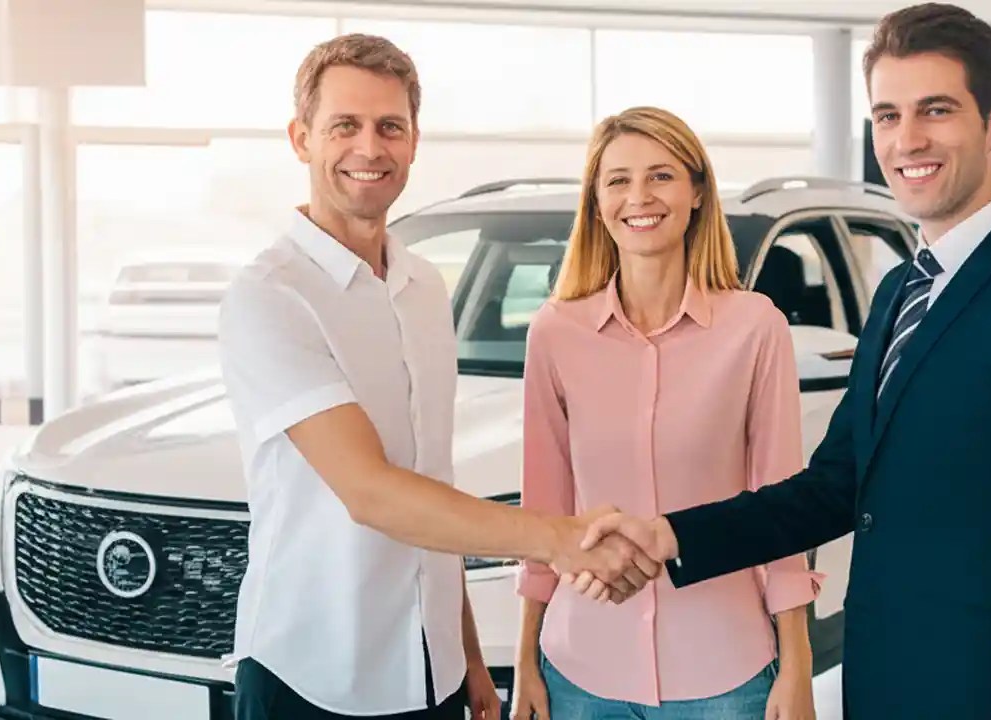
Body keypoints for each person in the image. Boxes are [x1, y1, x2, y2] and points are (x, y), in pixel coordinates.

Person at [573, 5, 991, 719]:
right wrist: (671, 534)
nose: (907, 140)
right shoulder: (901, 292)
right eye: (887, 115)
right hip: (885, 686)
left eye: (935, 110)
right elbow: (836, 485)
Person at [216, 33, 659, 720]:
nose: (371, 148)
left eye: (390, 127)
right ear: (301, 138)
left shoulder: (423, 287)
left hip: (432, 671)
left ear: (415, 142)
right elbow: (372, 493)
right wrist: (564, 539)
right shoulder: (270, 297)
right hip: (312, 675)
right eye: (345, 126)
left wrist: (468, 657)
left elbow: (432, 489)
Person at [509, 106, 822, 720]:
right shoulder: (555, 333)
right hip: (581, 671)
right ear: (597, 202)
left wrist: (798, 668)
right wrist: (525, 663)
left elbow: (781, 511)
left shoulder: (756, 329)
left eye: (661, 175)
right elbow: (543, 515)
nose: (639, 197)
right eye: (618, 180)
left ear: (697, 190)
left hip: (725, 672)